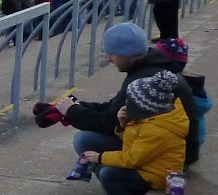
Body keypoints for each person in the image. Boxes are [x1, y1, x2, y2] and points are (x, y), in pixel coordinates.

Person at [62, 22, 199, 178]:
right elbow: (115, 106)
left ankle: (119, 183)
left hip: (168, 159)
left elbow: (109, 122)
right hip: (171, 146)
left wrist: (73, 112)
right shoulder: (150, 66)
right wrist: (78, 106)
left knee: (85, 140)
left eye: (111, 54)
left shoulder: (144, 78)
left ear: (126, 53)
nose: (109, 59)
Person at [78, 71, 188, 195]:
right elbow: (135, 144)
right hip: (146, 165)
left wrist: (100, 157)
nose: (127, 104)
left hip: (156, 174)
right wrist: (123, 125)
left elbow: (132, 159)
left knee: (108, 173)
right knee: (105, 168)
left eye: (131, 102)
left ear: (144, 107)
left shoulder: (157, 130)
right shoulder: (153, 118)